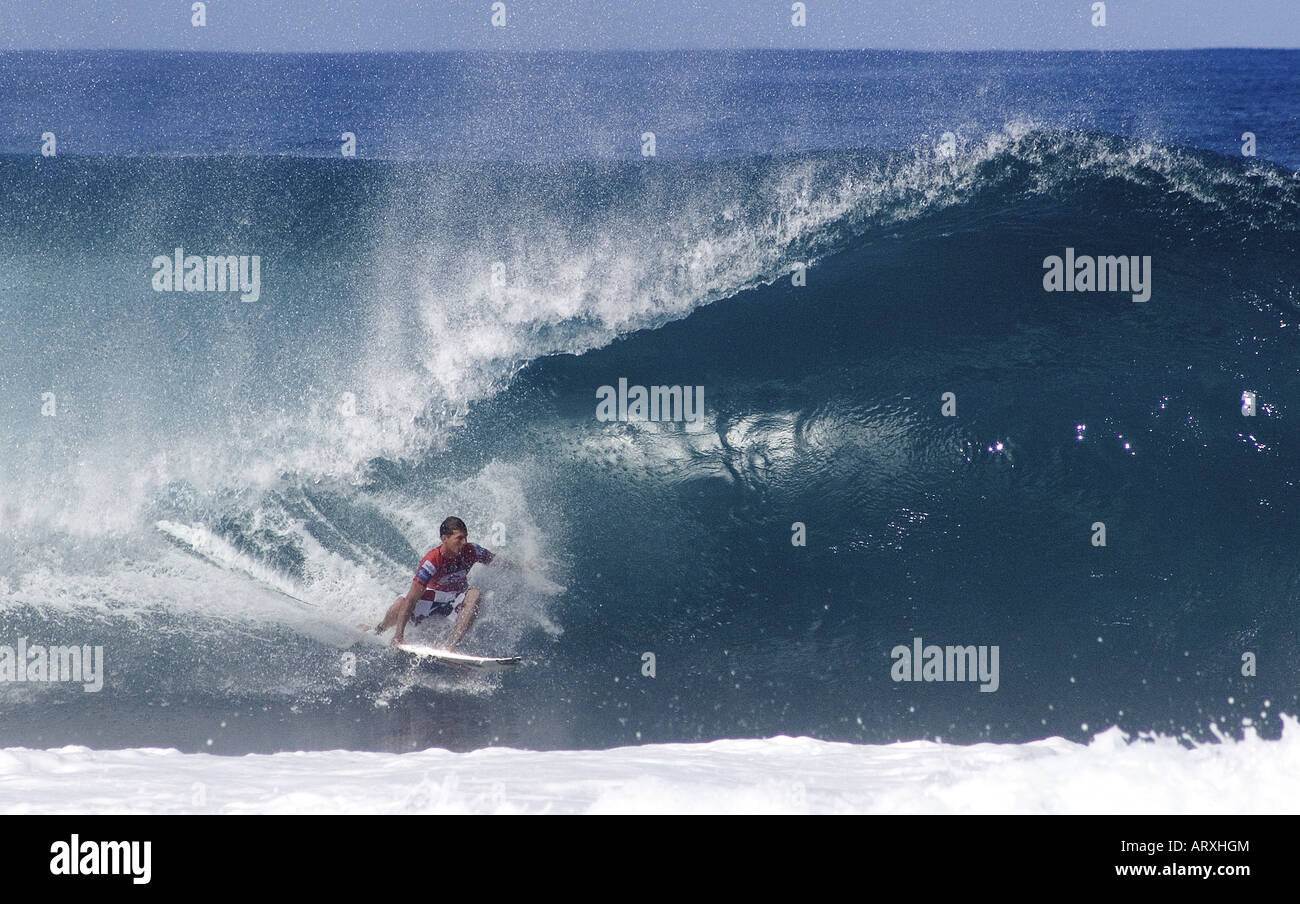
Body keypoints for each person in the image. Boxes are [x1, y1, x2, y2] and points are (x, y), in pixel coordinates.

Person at [373, 516, 524, 650]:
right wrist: (399, 635)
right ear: (444, 538)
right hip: (431, 601)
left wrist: (522, 568)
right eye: (459, 538)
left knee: (475, 594)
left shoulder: (472, 551)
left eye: (466, 537)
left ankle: (451, 647)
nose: (464, 542)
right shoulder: (432, 561)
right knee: (402, 602)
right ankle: (379, 630)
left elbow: (495, 560)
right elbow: (412, 599)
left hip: (454, 601)